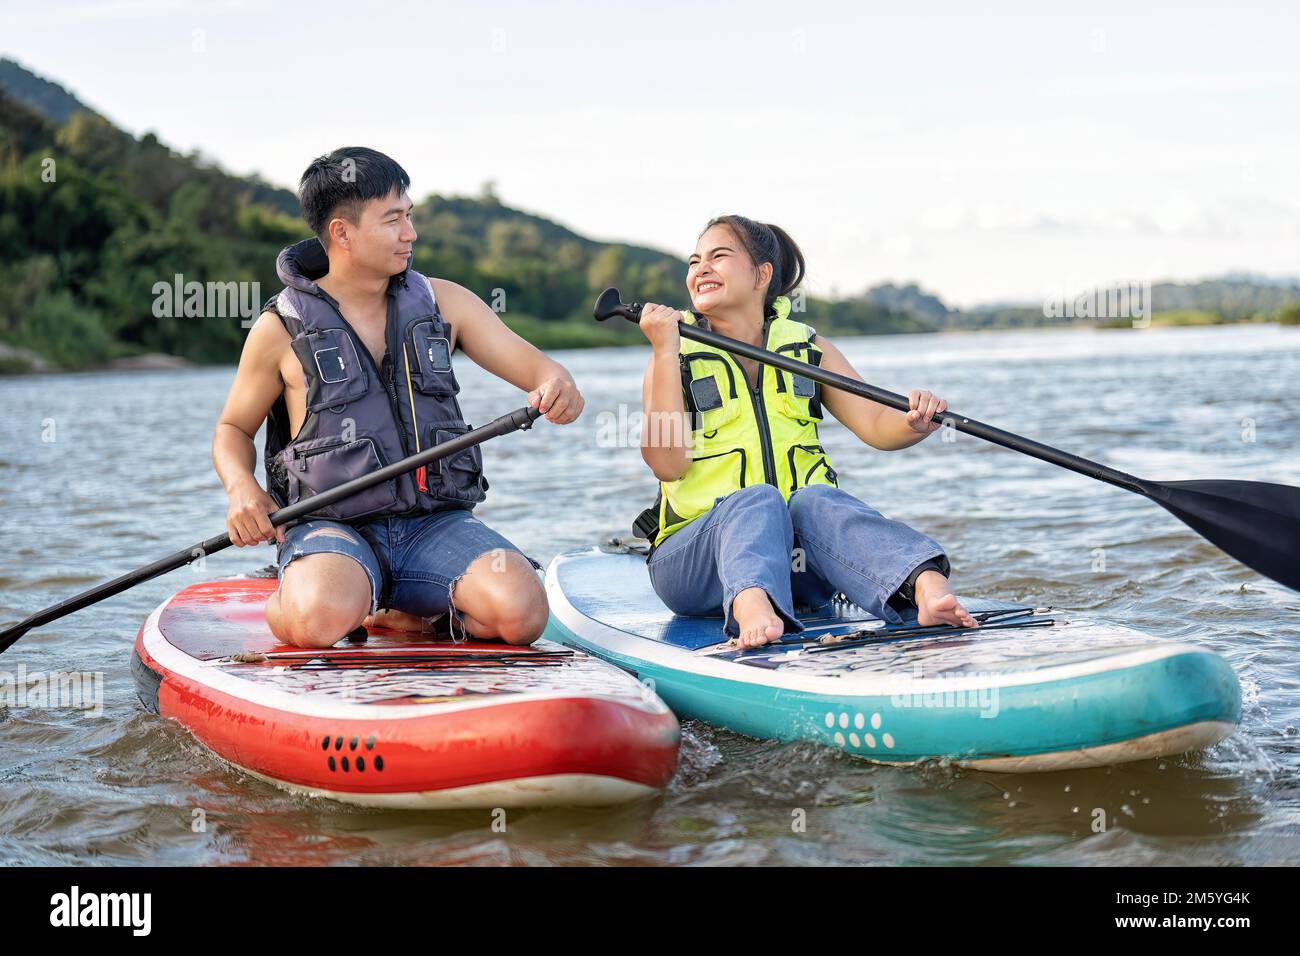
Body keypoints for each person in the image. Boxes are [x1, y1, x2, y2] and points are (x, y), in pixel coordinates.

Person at [212, 147, 583, 648]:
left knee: (521, 613)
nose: (410, 233)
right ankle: (301, 587)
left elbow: (539, 369)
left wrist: (557, 384)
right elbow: (233, 429)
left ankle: (401, 610)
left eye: (409, 215)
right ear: (342, 232)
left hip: (433, 525)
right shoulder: (279, 328)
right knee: (318, 619)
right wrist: (241, 488)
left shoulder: (443, 302)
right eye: (393, 220)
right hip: (332, 528)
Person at [635, 214, 976, 649]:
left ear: (762, 275)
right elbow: (666, 464)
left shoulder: (809, 348)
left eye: (719, 256)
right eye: (694, 260)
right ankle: (750, 601)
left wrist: (913, 422)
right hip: (697, 568)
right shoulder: (674, 356)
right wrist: (664, 351)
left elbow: (875, 425)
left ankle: (921, 584)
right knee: (758, 499)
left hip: (801, 568)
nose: (701, 268)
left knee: (817, 500)